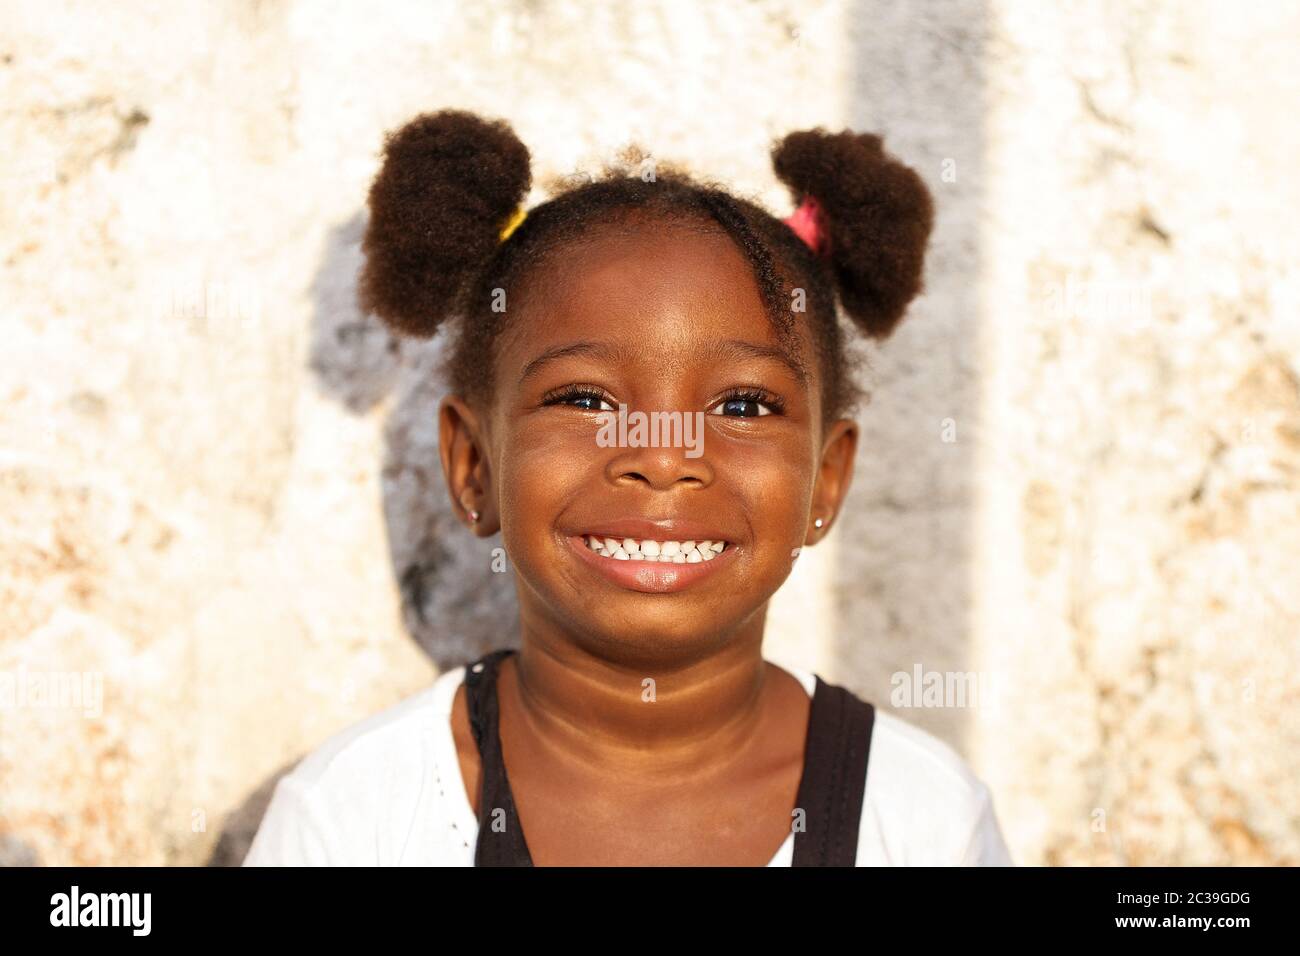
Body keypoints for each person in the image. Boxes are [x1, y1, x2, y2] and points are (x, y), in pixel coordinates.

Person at [243, 109, 1013, 866]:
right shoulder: (354, 818)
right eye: (584, 399)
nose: (663, 457)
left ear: (826, 480)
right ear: (474, 464)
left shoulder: (925, 821)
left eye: (742, 405)